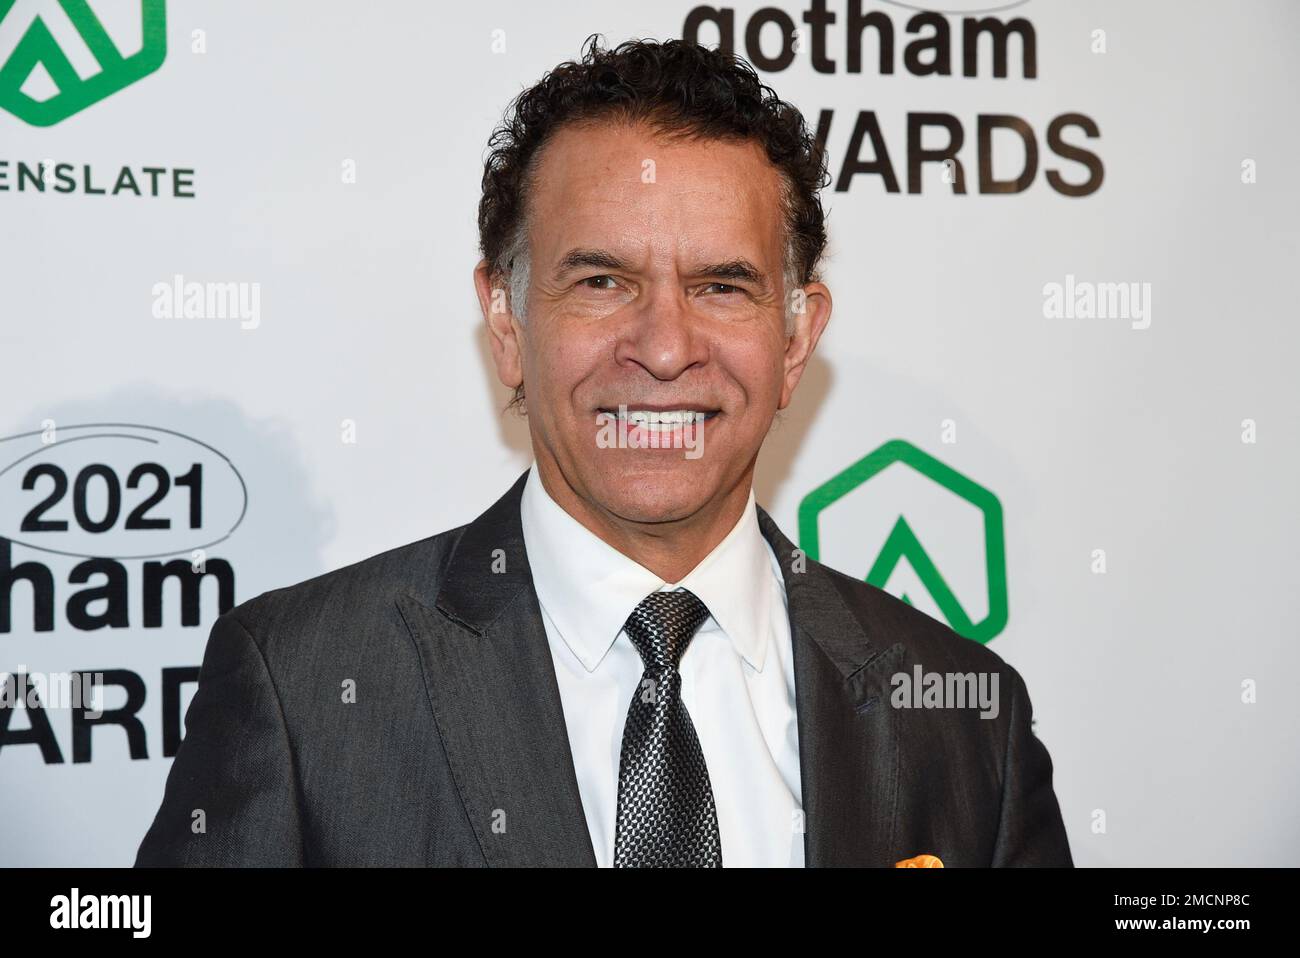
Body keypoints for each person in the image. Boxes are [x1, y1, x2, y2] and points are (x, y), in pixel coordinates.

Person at [135, 35, 1071, 868]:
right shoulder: (302, 688)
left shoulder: (963, 716)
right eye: (601, 280)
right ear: (505, 322)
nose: (664, 347)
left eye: (721, 286)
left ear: (795, 338)